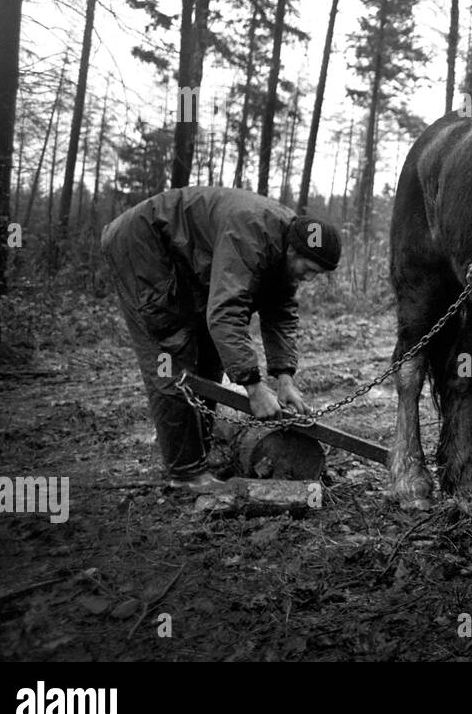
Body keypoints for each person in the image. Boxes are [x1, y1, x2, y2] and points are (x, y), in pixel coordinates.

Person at [100, 186, 342, 489]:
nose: (309, 278)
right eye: (309, 270)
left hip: (188, 259)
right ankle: (186, 473)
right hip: (143, 243)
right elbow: (227, 311)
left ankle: (200, 452)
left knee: (209, 352)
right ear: (293, 251)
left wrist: (284, 378)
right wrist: (253, 387)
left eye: (317, 274)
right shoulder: (252, 235)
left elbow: (280, 314)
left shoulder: (288, 246)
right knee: (172, 351)